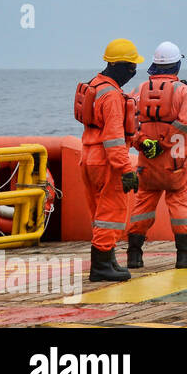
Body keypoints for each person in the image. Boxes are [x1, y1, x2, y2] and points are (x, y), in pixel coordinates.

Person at [126, 42, 187, 270]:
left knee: (143, 205)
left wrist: (143, 143)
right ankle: (185, 255)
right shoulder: (183, 91)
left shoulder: (140, 89)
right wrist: (163, 145)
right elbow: (185, 122)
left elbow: (129, 122)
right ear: (177, 65)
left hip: (147, 163)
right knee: (179, 206)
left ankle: (133, 255)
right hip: (176, 163)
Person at [73, 39, 144, 282]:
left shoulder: (94, 86)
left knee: (98, 214)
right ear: (122, 66)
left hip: (88, 158)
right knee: (111, 214)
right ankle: (101, 267)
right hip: (107, 162)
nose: (133, 73)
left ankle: (108, 259)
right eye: (131, 67)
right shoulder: (112, 96)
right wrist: (126, 170)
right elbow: (114, 139)